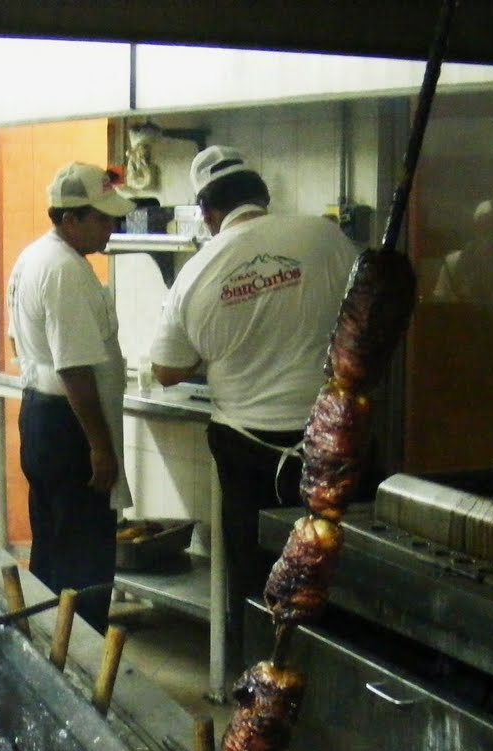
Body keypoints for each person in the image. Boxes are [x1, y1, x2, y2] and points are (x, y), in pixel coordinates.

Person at [149, 145, 358, 665]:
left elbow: (167, 370)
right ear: (262, 197)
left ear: (207, 212)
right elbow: (362, 316)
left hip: (247, 448)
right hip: (328, 441)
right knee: (328, 569)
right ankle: (330, 679)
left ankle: (259, 680)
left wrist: (225, 350)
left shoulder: (195, 274)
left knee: (255, 572)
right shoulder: (326, 237)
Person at [5, 162, 135, 633]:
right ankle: (83, 656)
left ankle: (50, 652)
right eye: (102, 219)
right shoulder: (64, 271)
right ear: (70, 218)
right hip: (69, 426)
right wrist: (100, 446)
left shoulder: (35, 258)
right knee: (85, 557)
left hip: (43, 418)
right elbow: (74, 368)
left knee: (54, 549)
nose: (110, 227)